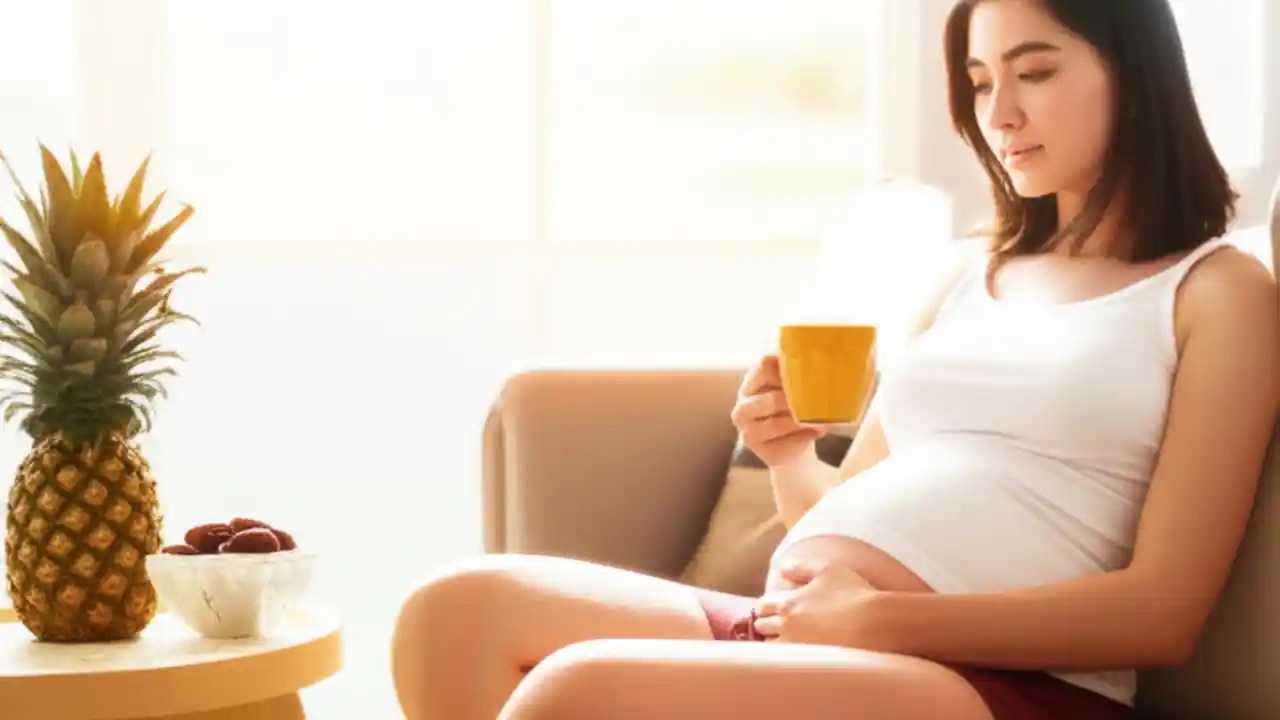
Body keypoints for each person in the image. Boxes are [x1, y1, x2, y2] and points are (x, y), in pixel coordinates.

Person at [390, 0, 1280, 717]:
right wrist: (787, 457)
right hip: (817, 636)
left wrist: (883, 620)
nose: (999, 113)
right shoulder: (971, 273)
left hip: (1000, 686)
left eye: (1035, 72)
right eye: (978, 83)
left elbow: (1163, 614)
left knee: (575, 694)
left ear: (1137, 76)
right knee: (455, 614)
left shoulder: (1215, 291)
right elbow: (848, 512)